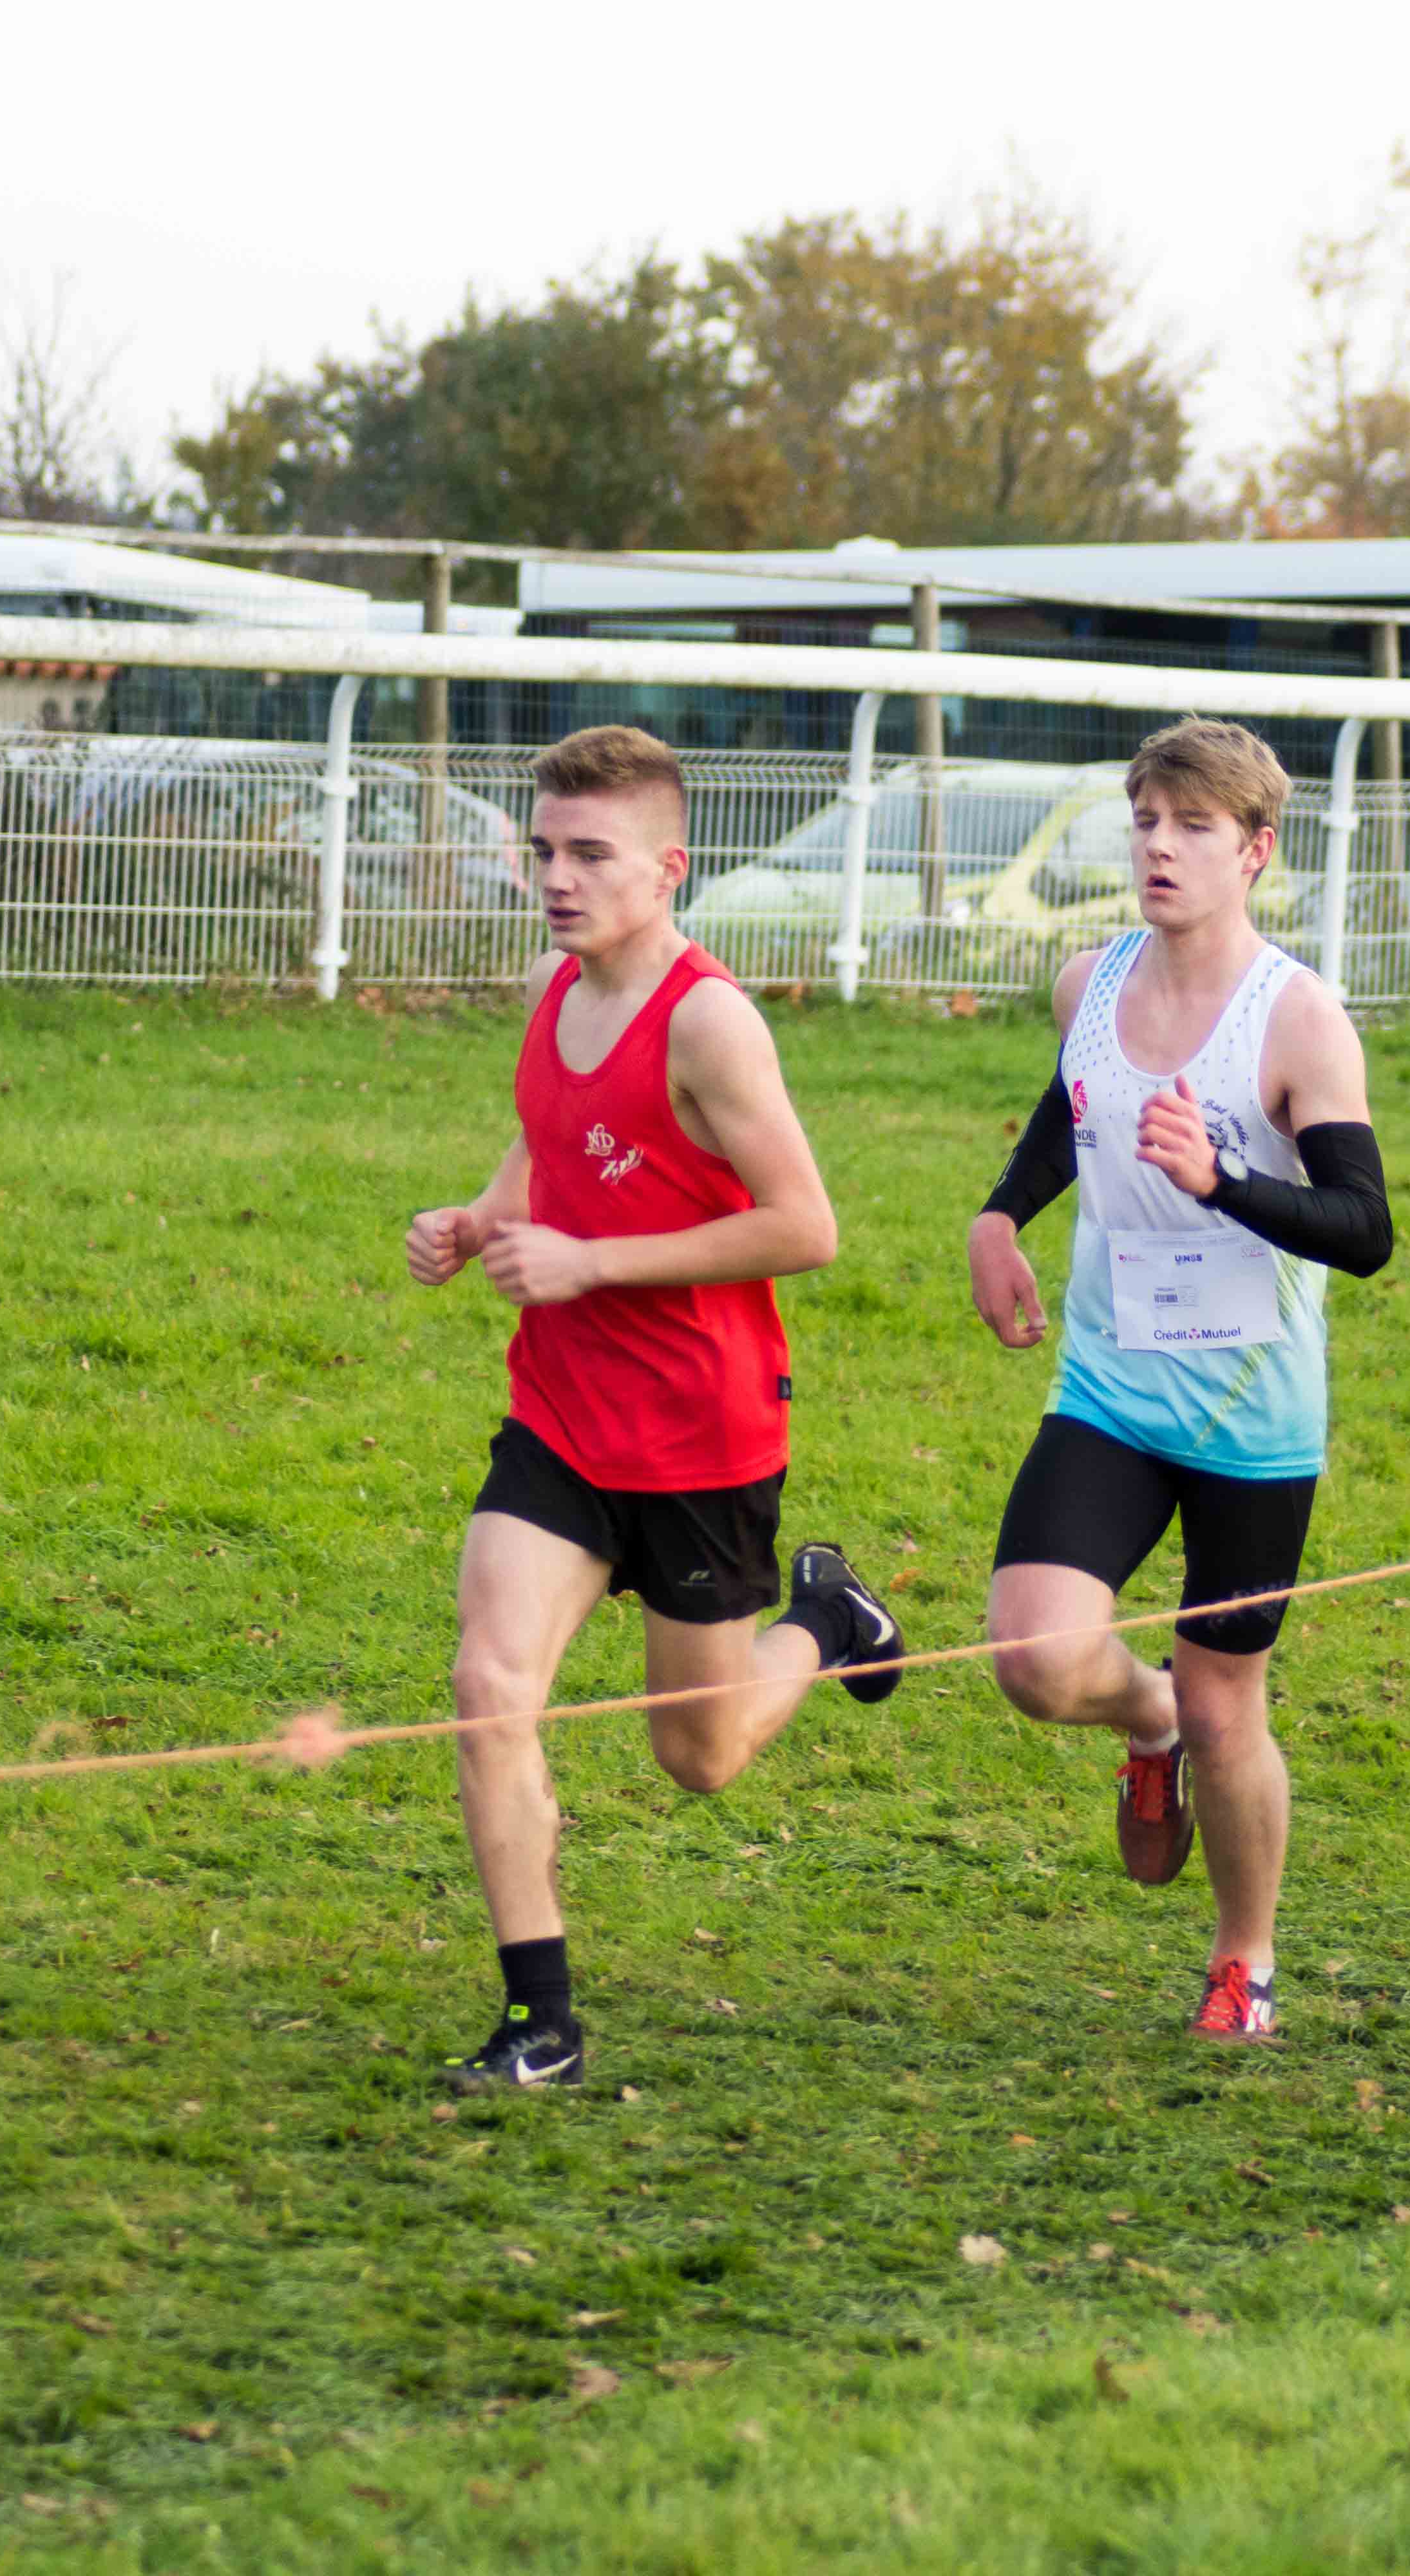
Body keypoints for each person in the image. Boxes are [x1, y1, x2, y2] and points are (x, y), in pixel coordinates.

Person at [405, 724, 902, 2093]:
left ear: (670, 867)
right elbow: (550, 1137)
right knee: (489, 1686)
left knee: (702, 1754)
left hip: (701, 1431)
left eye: (591, 854)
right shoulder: (554, 986)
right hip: (563, 1417)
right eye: (544, 850)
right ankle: (542, 2022)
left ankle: (828, 1619)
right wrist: (480, 1216)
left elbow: (806, 1227)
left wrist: (593, 1262)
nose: (558, 879)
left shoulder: (708, 1021)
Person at [966, 718, 1394, 2043]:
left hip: (1254, 1419)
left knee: (1228, 1705)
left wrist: (1225, 1180)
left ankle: (1243, 1958)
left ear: (1254, 851)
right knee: (1035, 1657)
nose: (1159, 846)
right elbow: (1076, 1109)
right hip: (1110, 1388)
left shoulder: (1298, 1016)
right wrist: (1000, 1215)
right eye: (1146, 821)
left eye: (1193, 827)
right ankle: (1141, 1713)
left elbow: (1365, 1229)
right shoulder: (1087, 982)